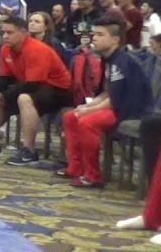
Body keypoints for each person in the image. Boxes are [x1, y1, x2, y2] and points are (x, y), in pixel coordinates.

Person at [0, 15, 74, 165]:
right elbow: (3, 78)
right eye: (2, 33)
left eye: (10, 33)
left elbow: (33, 84)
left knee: (24, 98)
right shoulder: (5, 49)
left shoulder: (37, 49)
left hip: (59, 90)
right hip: (34, 86)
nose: (5, 36)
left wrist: (2, 96)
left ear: (24, 33)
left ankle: (29, 151)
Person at [59, 17, 151, 187]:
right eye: (94, 34)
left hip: (130, 110)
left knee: (87, 122)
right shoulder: (108, 59)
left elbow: (116, 99)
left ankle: (93, 176)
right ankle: (76, 167)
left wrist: (89, 111)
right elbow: (107, 92)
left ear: (115, 39)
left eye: (100, 35)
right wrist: (87, 106)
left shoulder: (124, 62)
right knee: (70, 116)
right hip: (114, 105)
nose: (94, 38)